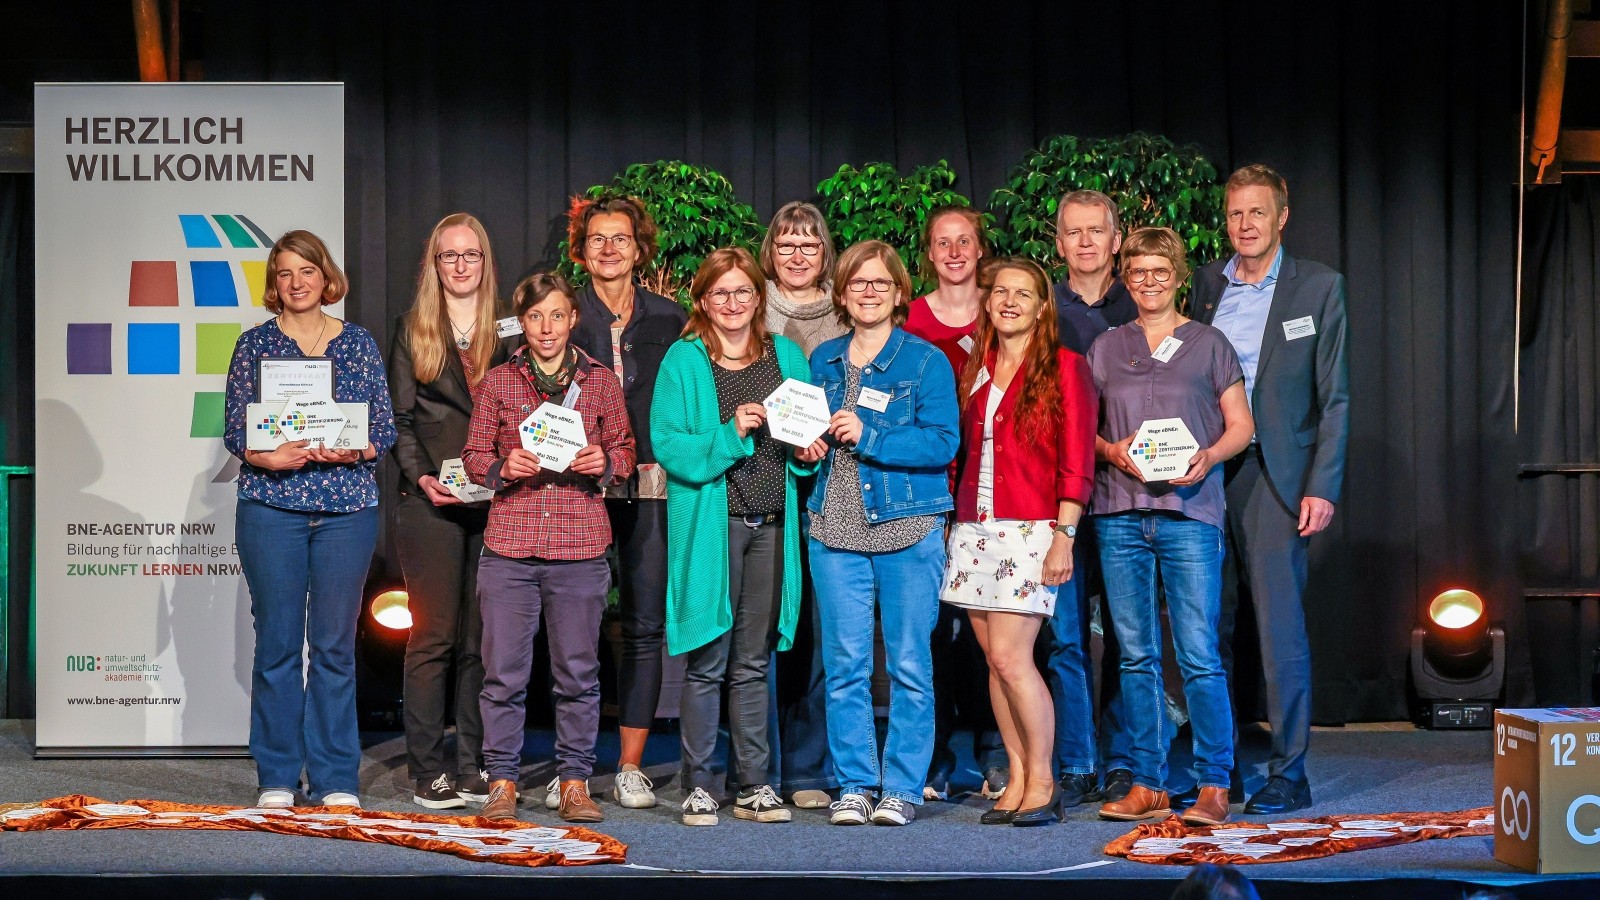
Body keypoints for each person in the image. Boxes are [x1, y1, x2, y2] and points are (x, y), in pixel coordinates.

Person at [1188, 164, 1349, 815]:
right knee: (1206, 630)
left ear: (1282, 217)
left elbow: (1335, 396)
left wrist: (1323, 484)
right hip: (1205, 475)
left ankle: (1289, 771)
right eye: (1235, 214)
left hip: (1278, 476)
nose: (1245, 225)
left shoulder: (1319, 287)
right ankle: (1214, 773)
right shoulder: (1204, 287)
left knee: (1280, 632)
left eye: (1257, 213)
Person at [652, 247, 825, 826]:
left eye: (743, 292)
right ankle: (698, 783)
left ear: (760, 298)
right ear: (702, 300)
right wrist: (730, 433)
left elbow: (805, 443)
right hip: (711, 527)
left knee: (753, 662)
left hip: (771, 525)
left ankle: (754, 783)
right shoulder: (683, 360)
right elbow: (669, 445)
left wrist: (806, 453)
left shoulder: (786, 356)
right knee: (707, 658)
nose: (732, 303)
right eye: (720, 293)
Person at [224, 230, 396, 809]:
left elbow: (384, 430)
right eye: (284, 274)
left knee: (332, 647)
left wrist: (354, 449)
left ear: (327, 278)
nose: (296, 284)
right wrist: (263, 454)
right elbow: (234, 428)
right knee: (275, 643)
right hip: (272, 509)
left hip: (346, 511)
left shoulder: (360, 344)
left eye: (307, 271)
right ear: (274, 285)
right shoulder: (254, 346)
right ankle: (276, 776)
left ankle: (334, 778)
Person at [1090, 227, 1254, 827]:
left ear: (1178, 275)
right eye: (1138, 272)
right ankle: (1149, 782)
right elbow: (1086, 429)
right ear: (1125, 278)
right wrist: (1111, 452)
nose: (1150, 282)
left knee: (1198, 653)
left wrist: (1208, 457)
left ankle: (1214, 782)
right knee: (1134, 653)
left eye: (1160, 271)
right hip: (1121, 512)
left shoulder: (1210, 344)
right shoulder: (1107, 347)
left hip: (1190, 512)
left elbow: (1241, 425)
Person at [462, 272, 636, 823]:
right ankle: (503, 782)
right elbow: (471, 456)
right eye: (536, 317)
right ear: (523, 321)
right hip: (511, 547)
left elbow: (626, 450)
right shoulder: (498, 382)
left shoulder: (601, 381)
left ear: (572, 318)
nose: (546, 328)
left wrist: (605, 463)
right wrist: (499, 467)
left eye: (557, 316)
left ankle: (575, 781)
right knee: (503, 676)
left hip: (580, 548)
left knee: (579, 675)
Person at [808, 241, 959, 826]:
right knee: (844, 665)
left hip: (907, 529)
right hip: (834, 528)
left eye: (880, 283)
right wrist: (805, 449)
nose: (868, 293)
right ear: (842, 294)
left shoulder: (924, 362)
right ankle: (854, 784)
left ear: (899, 292)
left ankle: (901, 786)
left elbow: (943, 442)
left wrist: (867, 435)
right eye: (857, 284)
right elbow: (806, 444)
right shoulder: (821, 360)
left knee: (908, 664)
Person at [943, 257, 1097, 827]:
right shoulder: (973, 368)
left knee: (1014, 656)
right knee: (993, 660)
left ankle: (1046, 779)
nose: (1009, 301)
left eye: (1023, 294)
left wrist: (1064, 534)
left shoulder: (1065, 367)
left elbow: (1078, 459)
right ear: (987, 302)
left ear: (1041, 306)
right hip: (974, 527)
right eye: (1000, 292)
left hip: (1032, 528)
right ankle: (1016, 774)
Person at [387, 213, 518, 810]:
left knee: (480, 642)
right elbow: (401, 420)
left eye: (471, 255)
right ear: (434, 265)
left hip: (497, 500)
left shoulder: (509, 331)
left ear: (485, 262)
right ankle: (426, 769)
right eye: (449, 256)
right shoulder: (413, 328)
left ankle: (472, 764)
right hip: (432, 502)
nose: (460, 265)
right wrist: (420, 476)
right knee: (433, 637)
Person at [566, 193, 687, 810]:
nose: (609, 249)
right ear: (581, 251)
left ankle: (631, 765)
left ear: (639, 250)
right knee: (577, 627)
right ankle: (573, 765)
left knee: (643, 623)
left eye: (621, 239)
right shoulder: (562, 314)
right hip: (578, 486)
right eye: (597, 239)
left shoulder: (671, 319)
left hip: (649, 484)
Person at [904, 205, 1008, 801]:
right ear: (929, 252)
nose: (953, 251)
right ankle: (936, 757)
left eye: (963, 240)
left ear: (979, 248)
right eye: (942, 242)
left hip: (995, 492)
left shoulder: (1003, 312)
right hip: (930, 491)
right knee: (934, 628)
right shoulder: (911, 318)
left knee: (992, 630)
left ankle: (995, 751)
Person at [1049, 190, 1141, 807]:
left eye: (1095, 232)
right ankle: (1077, 759)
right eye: (1072, 233)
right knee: (1064, 634)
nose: (1084, 243)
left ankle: (1124, 760)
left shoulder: (1142, 303)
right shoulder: (1039, 305)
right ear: (1058, 243)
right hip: (1062, 497)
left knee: (1129, 636)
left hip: (1132, 493)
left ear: (1115, 240)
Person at [760, 201, 846, 810]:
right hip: (759, 486)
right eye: (786, 244)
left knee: (817, 631)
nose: (796, 256)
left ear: (825, 255)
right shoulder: (743, 307)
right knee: (762, 633)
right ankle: (755, 764)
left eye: (808, 245)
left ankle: (809, 766)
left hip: (830, 488)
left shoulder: (848, 315)